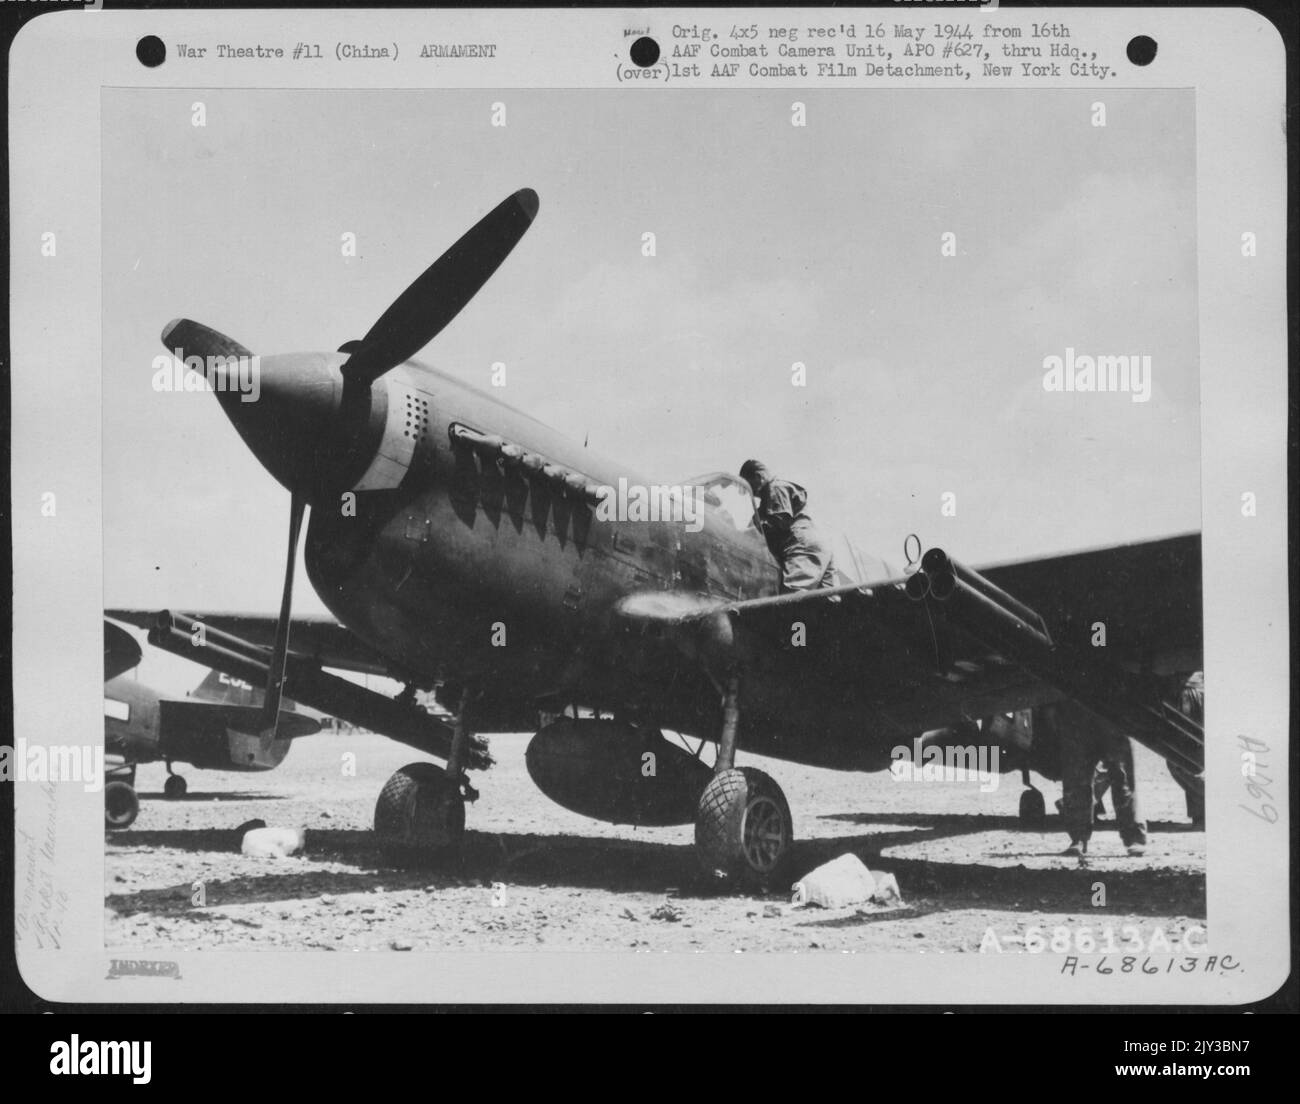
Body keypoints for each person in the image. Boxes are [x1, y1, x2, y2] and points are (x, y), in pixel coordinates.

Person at [1049, 700, 1148, 857]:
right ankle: (1078, 838)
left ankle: (1134, 838)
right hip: (1076, 709)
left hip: (1112, 708)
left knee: (1122, 778)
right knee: (1076, 779)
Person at [738, 460, 837, 593]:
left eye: (750, 485)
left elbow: (779, 522)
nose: (753, 493)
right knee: (827, 603)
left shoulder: (775, 488)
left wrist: (749, 534)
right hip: (817, 547)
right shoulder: (774, 494)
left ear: (758, 477)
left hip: (801, 547)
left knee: (791, 598)